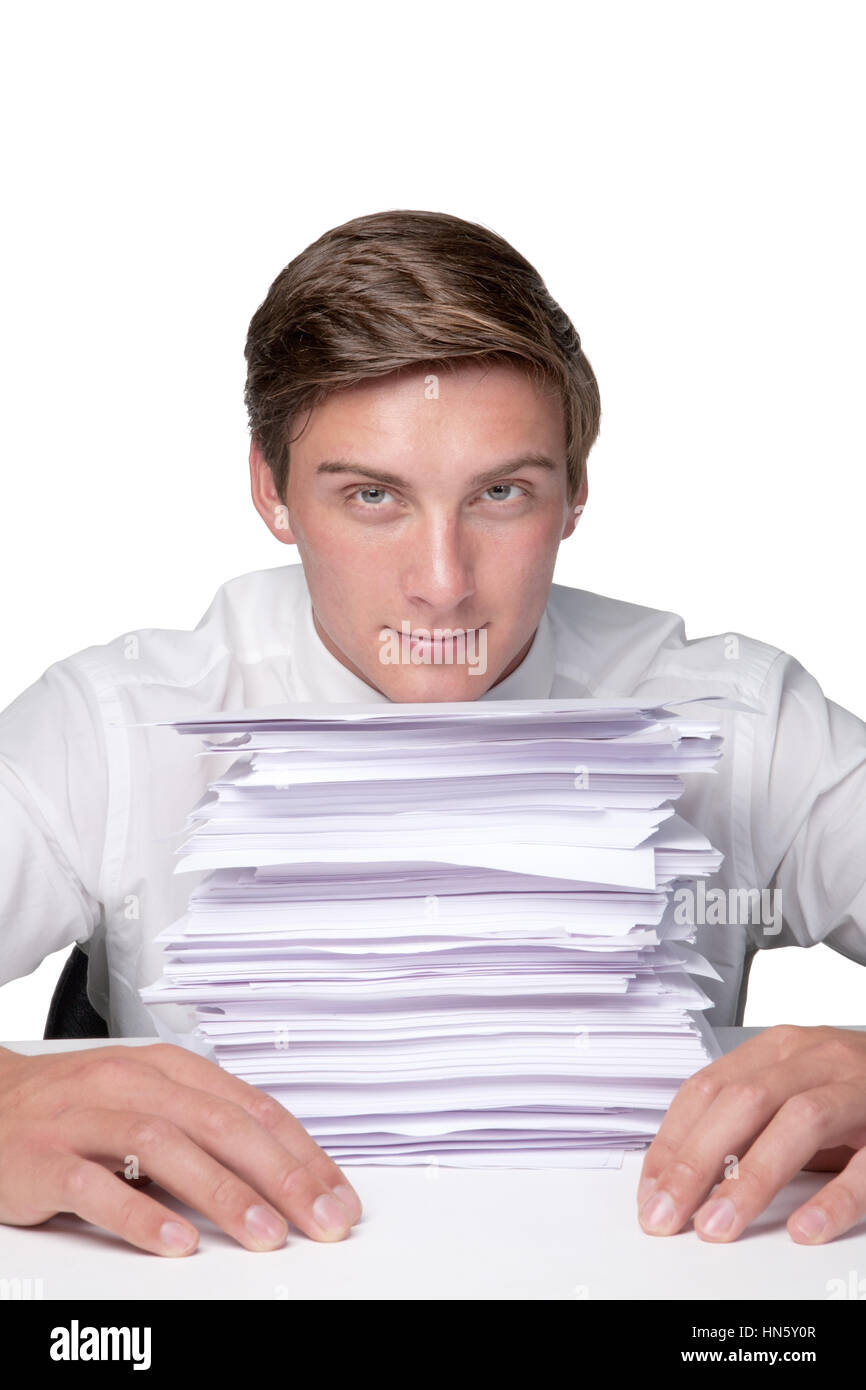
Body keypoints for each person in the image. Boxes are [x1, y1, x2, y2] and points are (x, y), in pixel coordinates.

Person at [1, 209, 865, 1259]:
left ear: (575, 492)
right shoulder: (114, 727)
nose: (443, 586)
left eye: (501, 493)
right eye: (372, 496)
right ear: (269, 491)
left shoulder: (737, 719)